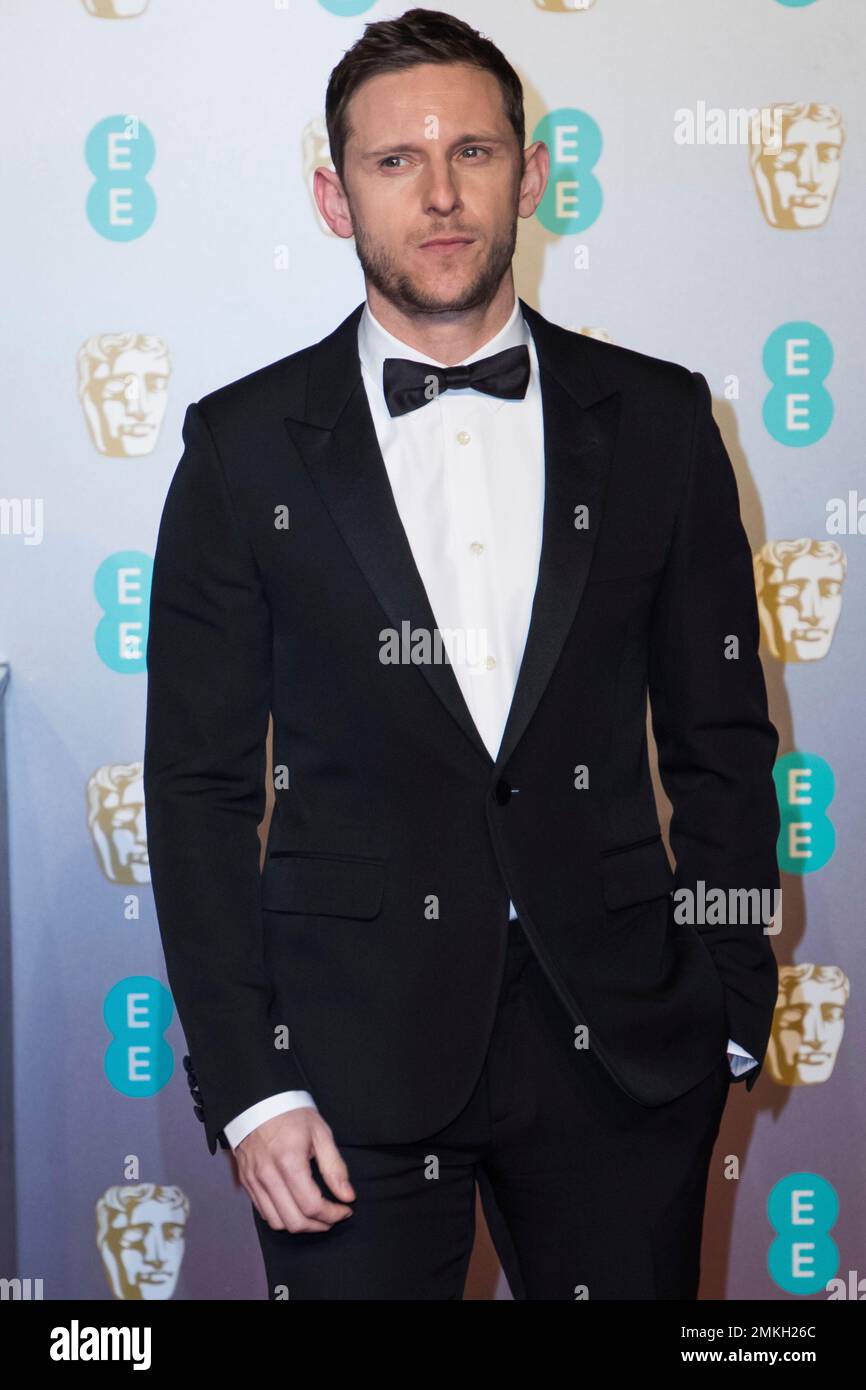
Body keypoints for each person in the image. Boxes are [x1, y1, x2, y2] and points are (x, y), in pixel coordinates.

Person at [143, 8, 780, 1300]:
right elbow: (197, 788)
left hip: (624, 1053)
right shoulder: (242, 447)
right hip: (340, 1073)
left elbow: (719, 737)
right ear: (334, 196)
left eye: (473, 152)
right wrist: (253, 1080)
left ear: (531, 176)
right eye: (393, 162)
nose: (438, 195)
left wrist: (727, 998)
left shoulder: (659, 422)